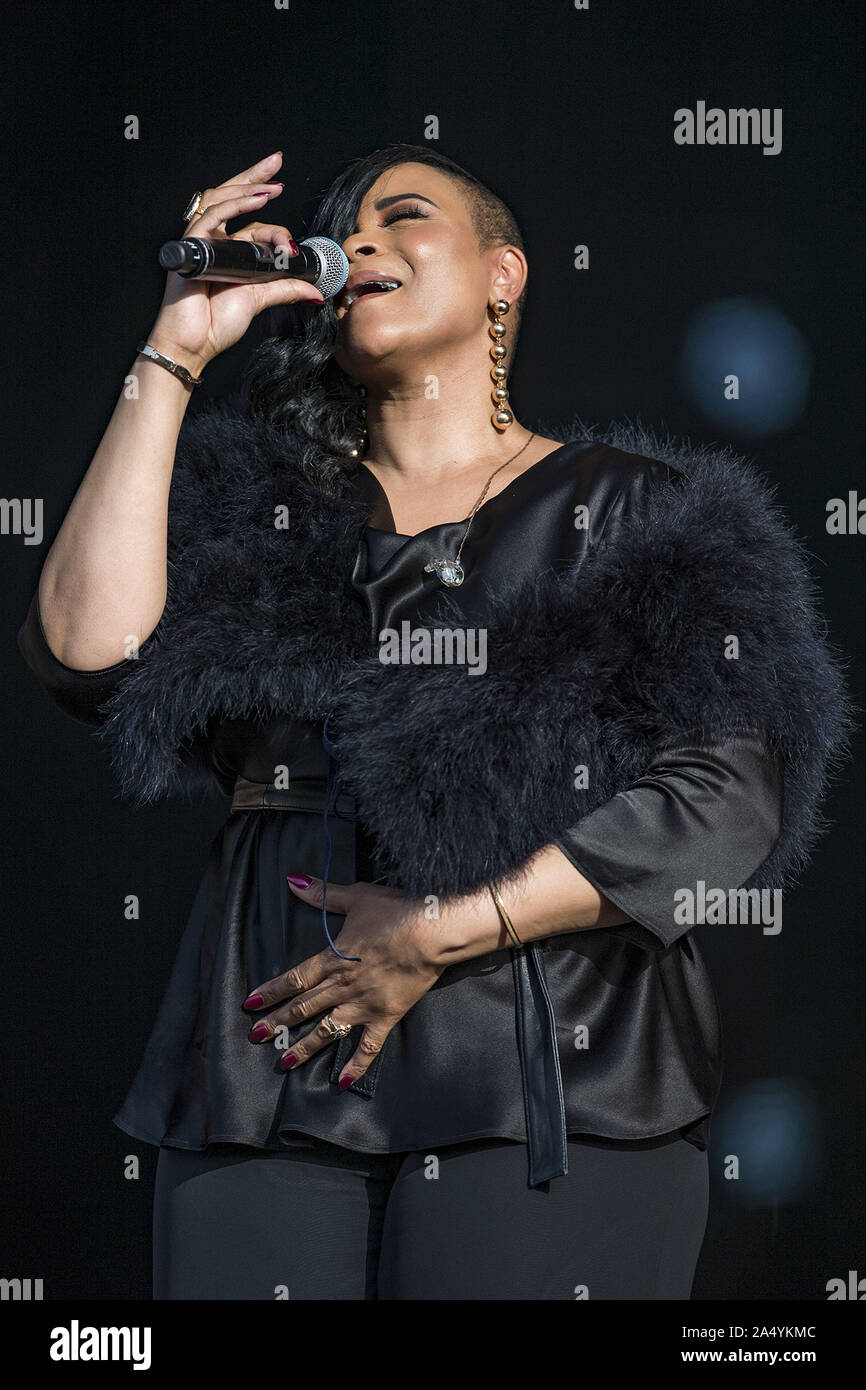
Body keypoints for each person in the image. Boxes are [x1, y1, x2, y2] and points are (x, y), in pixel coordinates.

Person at [18, 143, 850, 1301]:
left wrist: (439, 932)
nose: (359, 238)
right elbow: (85, 654)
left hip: (544, 1072)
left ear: (504, 275)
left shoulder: (633, 511)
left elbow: (725, 799)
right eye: (343, 225)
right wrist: (173, 350)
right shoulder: (256, 514)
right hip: (270, 1063)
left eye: (402, 214)